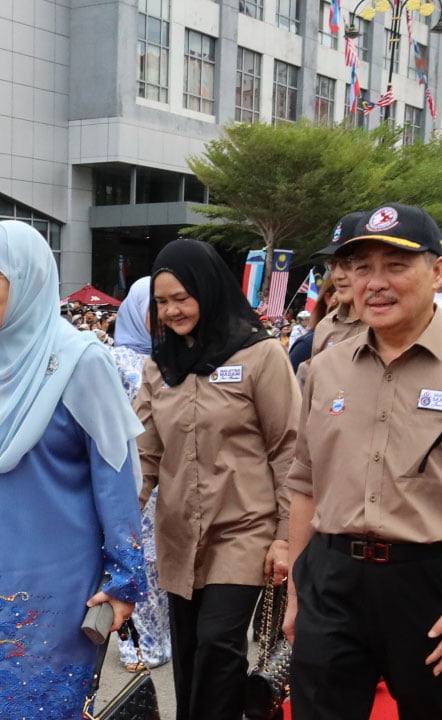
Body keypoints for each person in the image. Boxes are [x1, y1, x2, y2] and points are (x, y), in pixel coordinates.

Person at [284, 203, 442, 720]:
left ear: (441, 272)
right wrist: (295, 593)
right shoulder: (323, 369)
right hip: (332, 577)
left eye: (396, 265)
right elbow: (306, 484)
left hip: (430, 584)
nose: (375, 283)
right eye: (361, 267)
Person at [0, 220, 146, 720]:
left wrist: (125, 580)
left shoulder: (80, 361)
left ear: (27, 278)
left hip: (58, 595)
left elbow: (115, 479)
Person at [135, 239, 299, 720]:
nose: (172, 311)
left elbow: (290, 448)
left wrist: (286, 537)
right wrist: (114, 527)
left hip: (243, 530)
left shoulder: (261, 355)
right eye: (162, 302)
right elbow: (143, 455)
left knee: (219, 646)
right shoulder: (158, 367)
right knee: (187, 651)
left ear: (208, 290)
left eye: (182, 297)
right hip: (179, 533)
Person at [108, 276, 173, 674]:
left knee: (164, 563)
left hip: (170, 479)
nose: (162, 316)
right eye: (154, 308)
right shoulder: (115, 361)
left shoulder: (175, 357)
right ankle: (136, 648)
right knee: (136, 559)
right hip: (130, 478)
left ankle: (164, 640)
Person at [306, 212, 368, 359]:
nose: (337, 275)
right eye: (333, 264)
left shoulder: (396, 326)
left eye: (348, 263)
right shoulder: (325, 327)